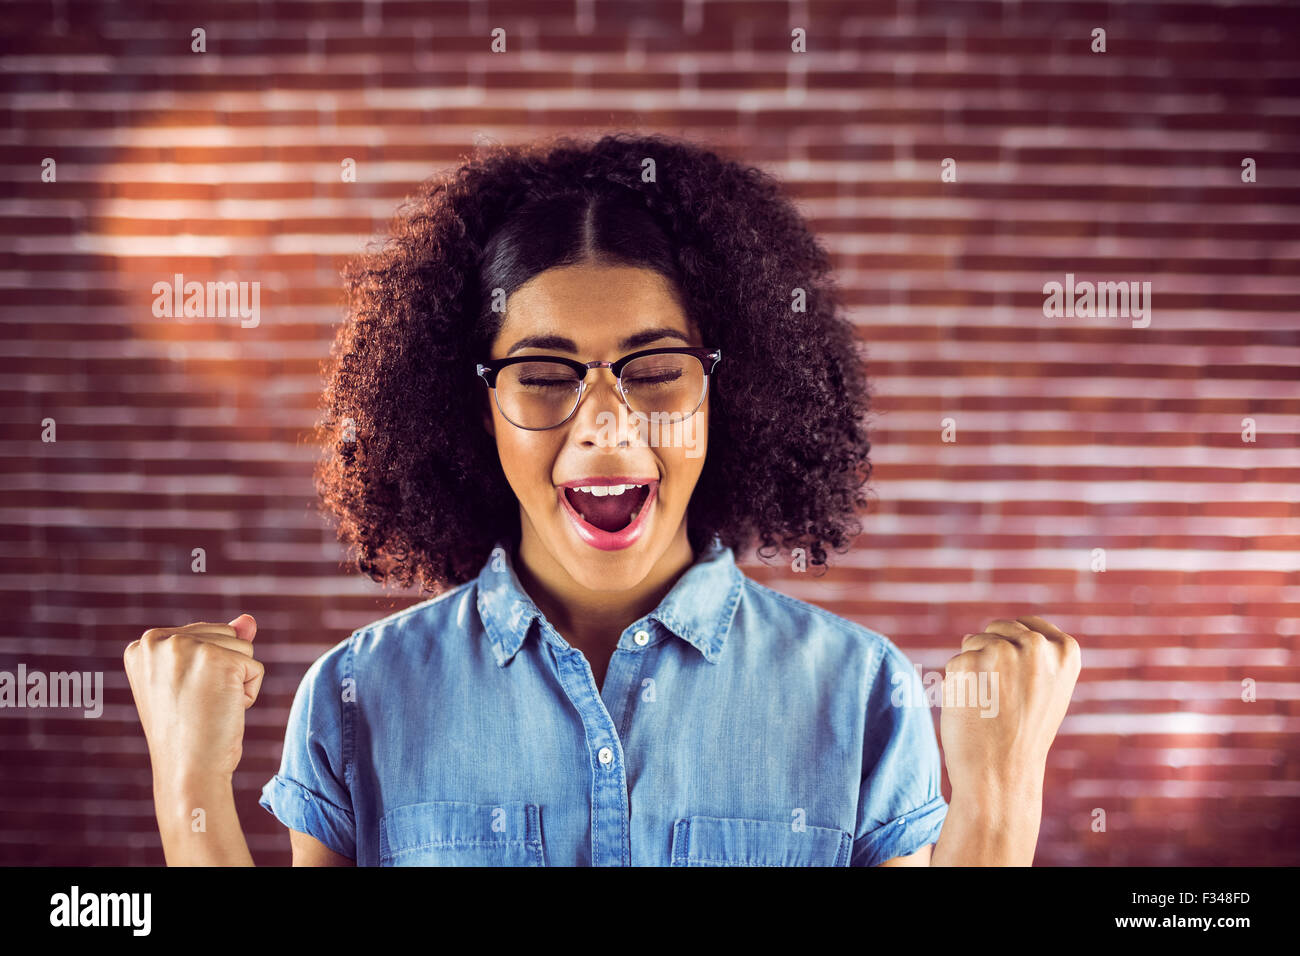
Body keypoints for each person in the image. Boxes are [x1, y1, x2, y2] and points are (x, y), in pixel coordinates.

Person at [124, 131, 1080, 866]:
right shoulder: (353, 699)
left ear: (725, 394)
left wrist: (997, 800)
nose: (607, 427)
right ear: (475, 406)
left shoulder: (862, 695)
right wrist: (190, 786)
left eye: (656, 369)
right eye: (544, 373)